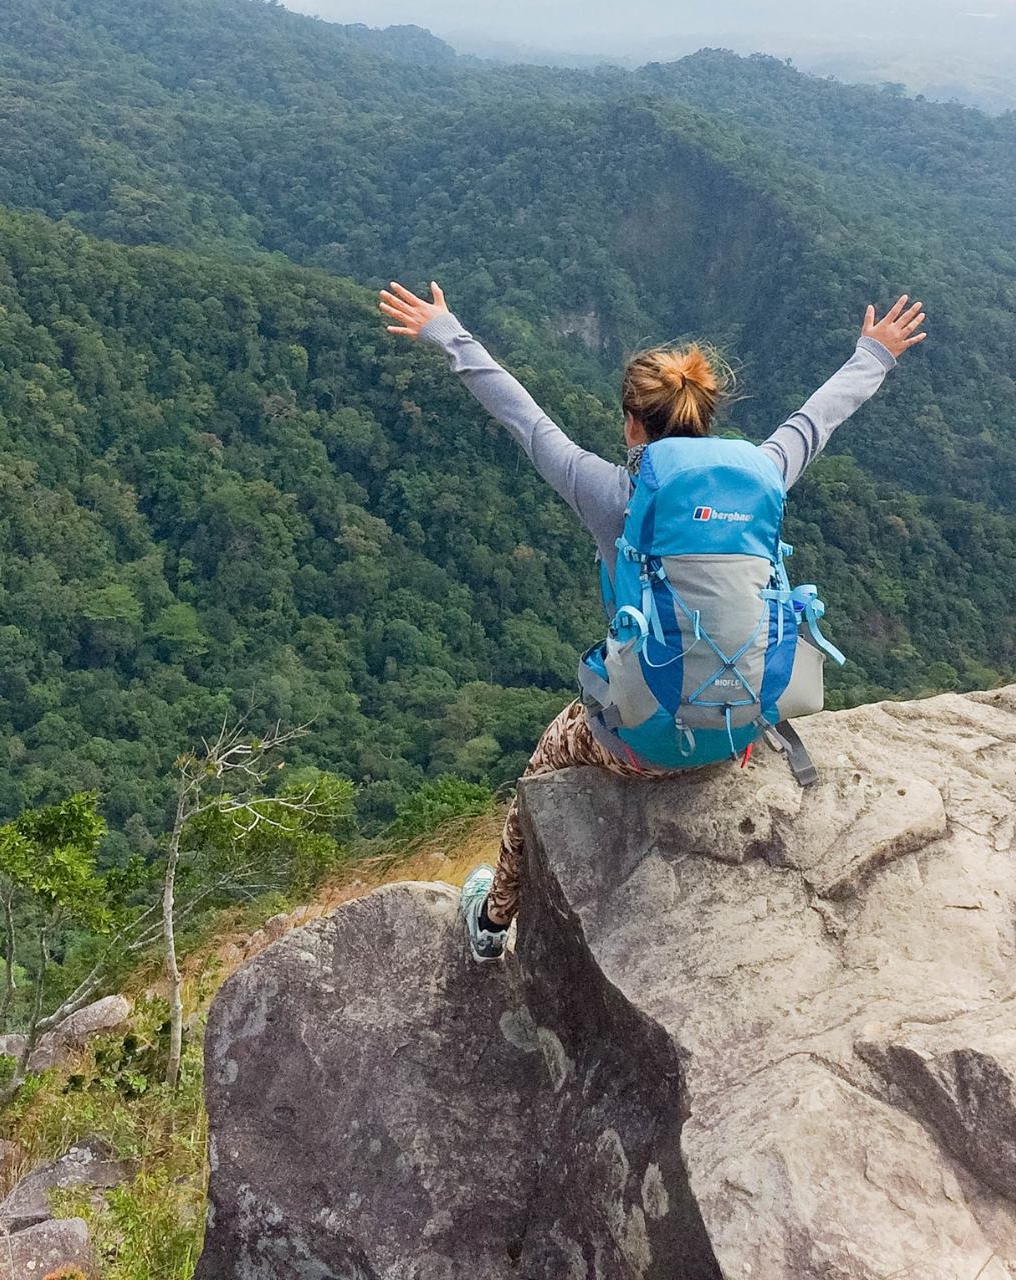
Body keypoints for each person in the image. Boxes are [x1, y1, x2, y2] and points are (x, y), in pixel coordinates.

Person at [378, 279, 926, 963]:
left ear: (632, 424)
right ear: (704, 419)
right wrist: (874, 353)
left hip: (643, 745)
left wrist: (447, 332)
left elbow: (524, 418)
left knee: (542, 765)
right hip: (740, 733)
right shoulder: (762, 472)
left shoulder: (609, 493)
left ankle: (490, 923)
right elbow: (816, 420)